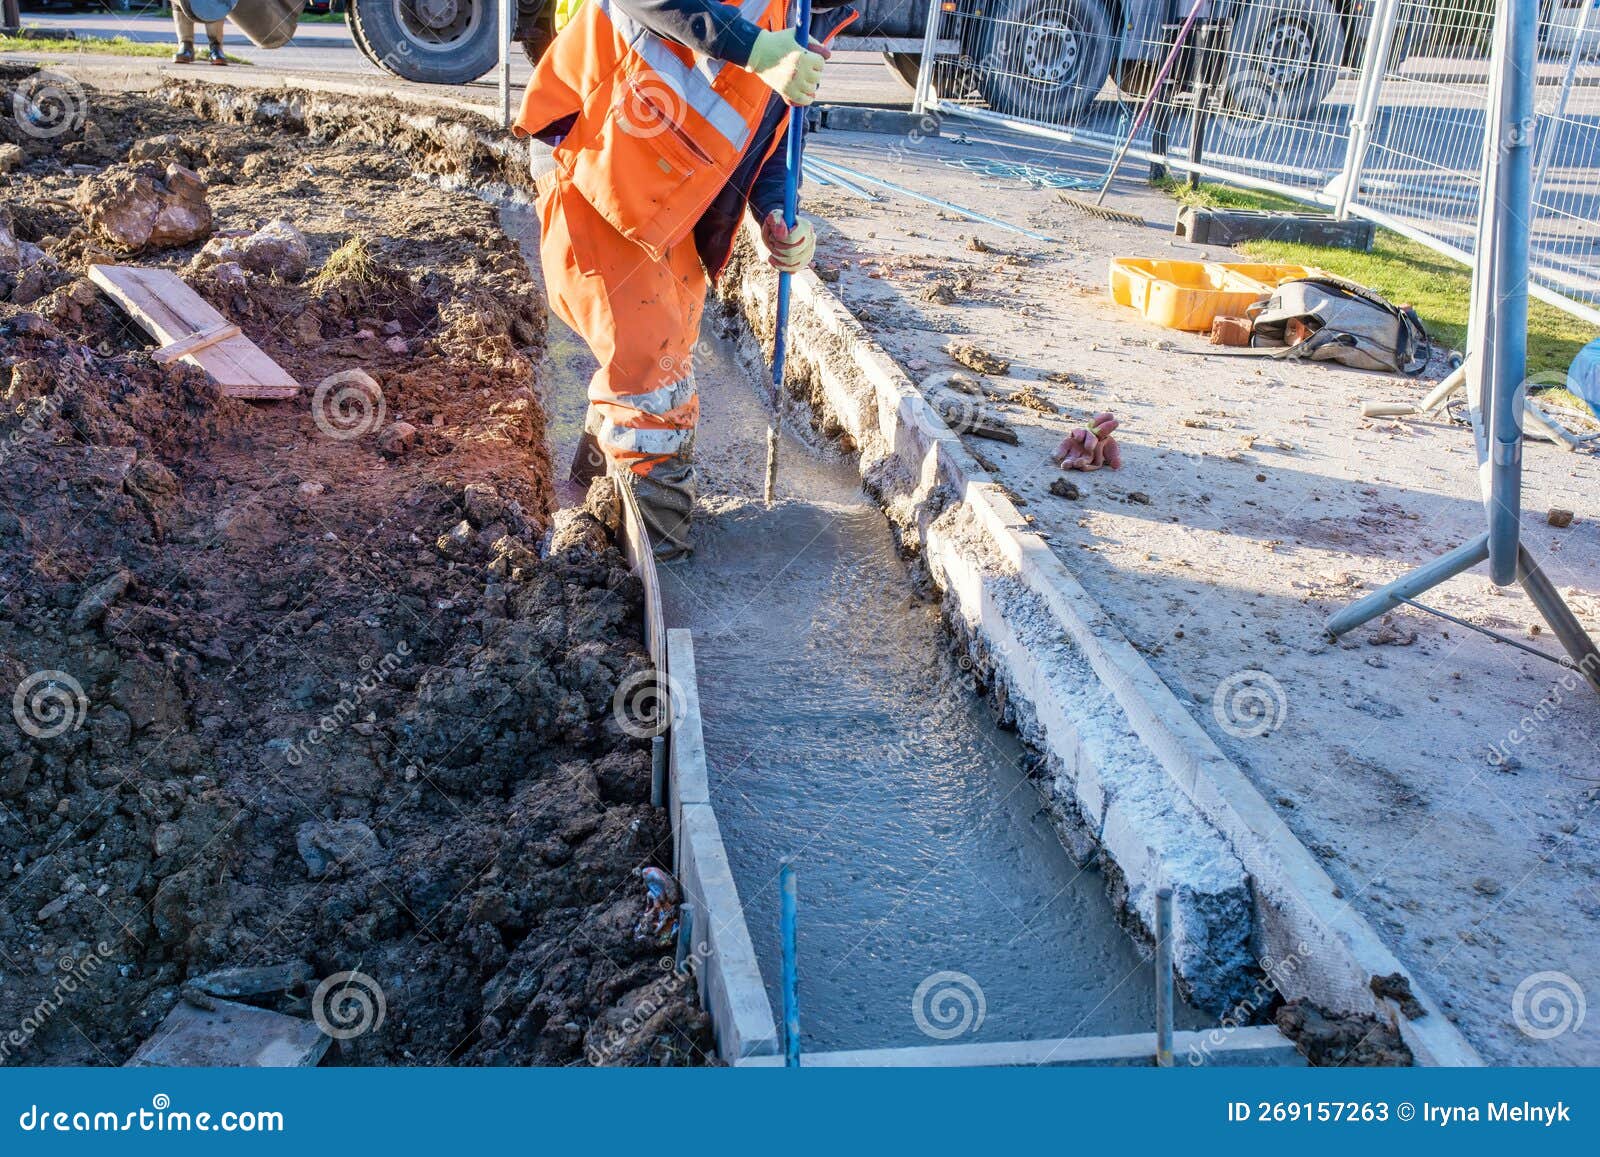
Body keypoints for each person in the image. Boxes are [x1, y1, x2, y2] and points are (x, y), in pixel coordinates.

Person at [514, 0, 855, 559]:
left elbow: (767, 134)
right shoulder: (775, 22)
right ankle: (660, 558)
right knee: (648, 368)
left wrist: (776, 212)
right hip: (598, 157)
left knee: (660, 361)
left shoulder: (804, 15)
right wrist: (754, 48)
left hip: (671, 203)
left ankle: (584, 502)